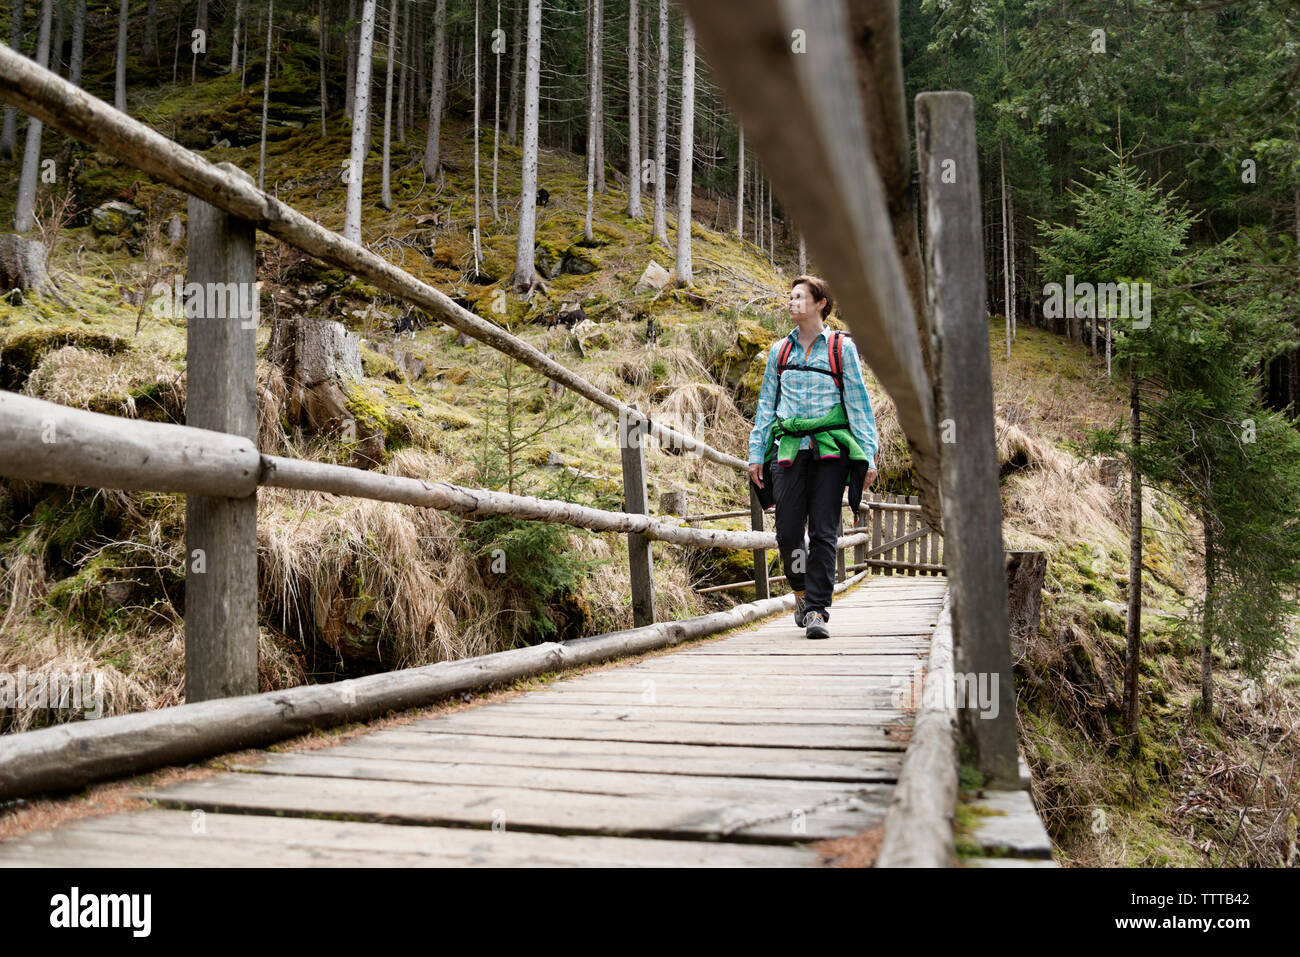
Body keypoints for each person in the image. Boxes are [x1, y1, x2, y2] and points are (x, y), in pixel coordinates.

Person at [748, 276, 878, 639]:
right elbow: (765, 407)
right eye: (790, 297)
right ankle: (802, 592)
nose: (791, 303)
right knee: (788, 531)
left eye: (799, 297)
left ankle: (818, 609)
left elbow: (858, 404)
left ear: (821, 303)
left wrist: (867, 454)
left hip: (831, 451)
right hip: (788, 450)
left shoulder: (841, 349)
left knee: (823, 530)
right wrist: (756, 454)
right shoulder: (780, 352)